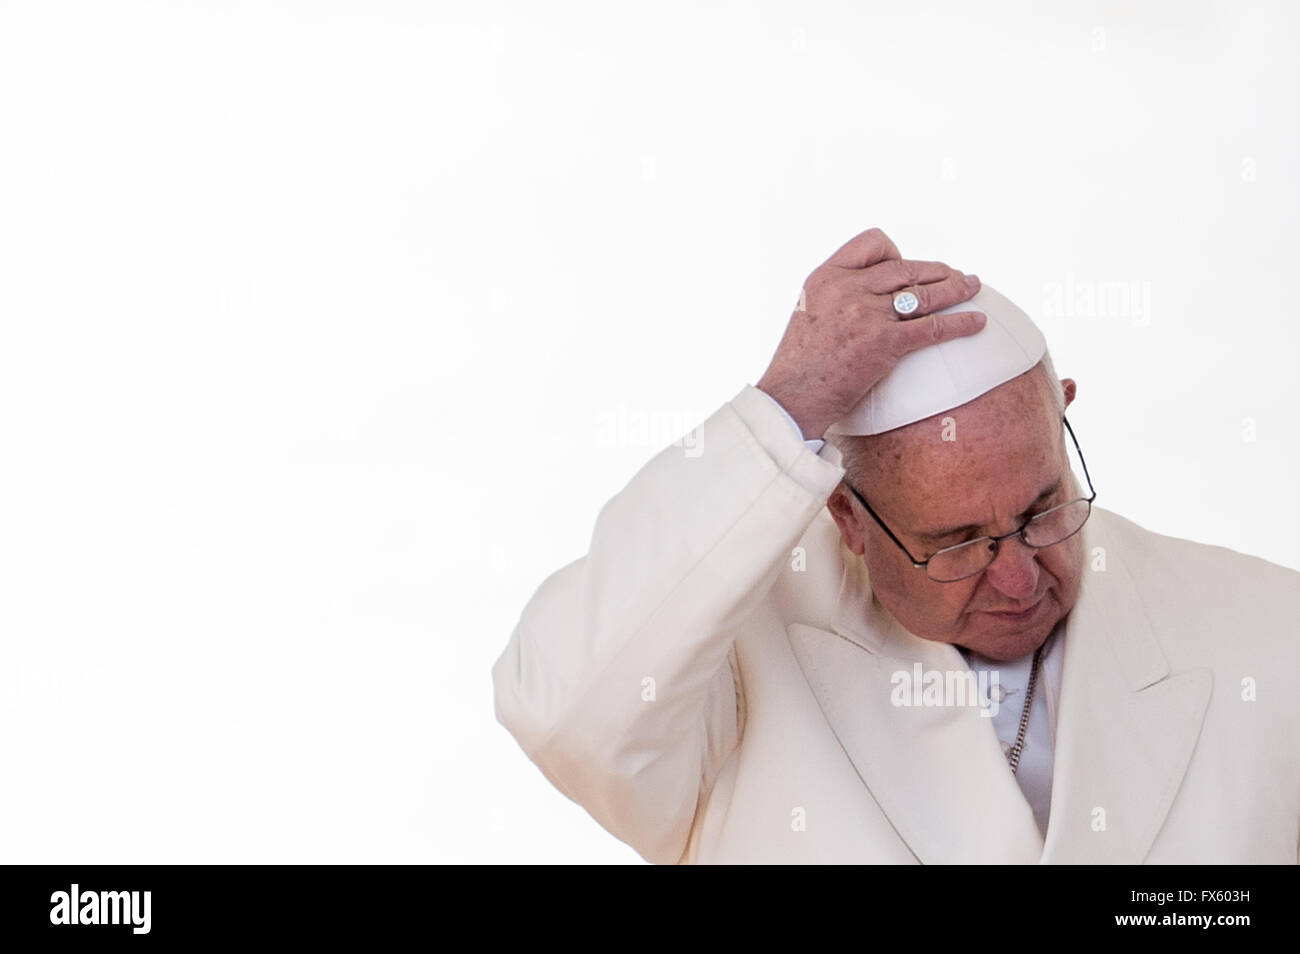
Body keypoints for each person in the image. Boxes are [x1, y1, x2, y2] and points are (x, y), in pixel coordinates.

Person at [491, 227, 1300, 864]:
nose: (1019, 579)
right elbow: (562, 710)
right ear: (846, 514)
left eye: (1041, 508)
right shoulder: (729, 663)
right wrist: (781, 414)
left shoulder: (1268, 628)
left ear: (1064, 417)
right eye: (957, 544)